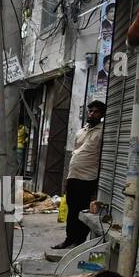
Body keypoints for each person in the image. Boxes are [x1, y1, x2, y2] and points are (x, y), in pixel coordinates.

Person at [57, 100, 106, 249]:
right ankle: (69, 239)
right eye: (90, 111)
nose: (91, 114)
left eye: (95, 111)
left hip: (88, 178)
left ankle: (79, 242)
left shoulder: (102, 131)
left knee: (83, 211)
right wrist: (67, 179)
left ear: (101, 114)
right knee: (72, 211)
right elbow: (74, 154)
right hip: (74, 176)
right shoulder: (81, 131)